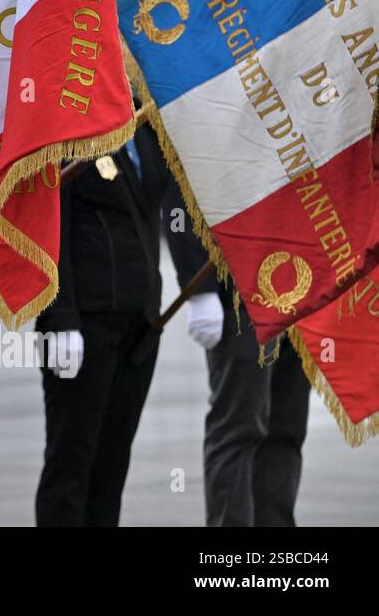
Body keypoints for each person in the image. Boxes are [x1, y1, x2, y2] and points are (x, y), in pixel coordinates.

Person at [35, 121, 215, 526]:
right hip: (83, 324)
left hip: (139, 322)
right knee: (71, 465)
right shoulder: (68, 126)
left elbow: (168, 201)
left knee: (111, 465)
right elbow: (49, 223)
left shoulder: (144, 130)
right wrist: (58, 315)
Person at [184, 269, 311, 526]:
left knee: (286, 431)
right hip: (243, 297)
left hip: (303, 294)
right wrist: (201, 291)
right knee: (238, 430)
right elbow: (190, 226)